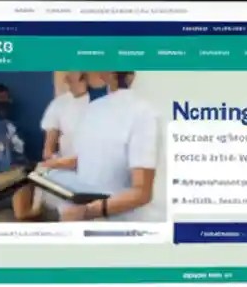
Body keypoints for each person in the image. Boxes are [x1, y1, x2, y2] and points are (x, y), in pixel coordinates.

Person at [43, 71, 159, 222]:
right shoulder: (95, 109)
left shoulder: (143, 112)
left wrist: (87, 212)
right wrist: (54, 165)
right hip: (85, 215)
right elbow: (94, 156)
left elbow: (142, 192)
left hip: (123, 223)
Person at [12, 71, 89, 220]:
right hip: (62, 167)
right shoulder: (59, 104)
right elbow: (48, 149)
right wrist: (53, 160)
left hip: (90, 169)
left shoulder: (100, 103)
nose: (65, 76)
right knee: (28, 182)